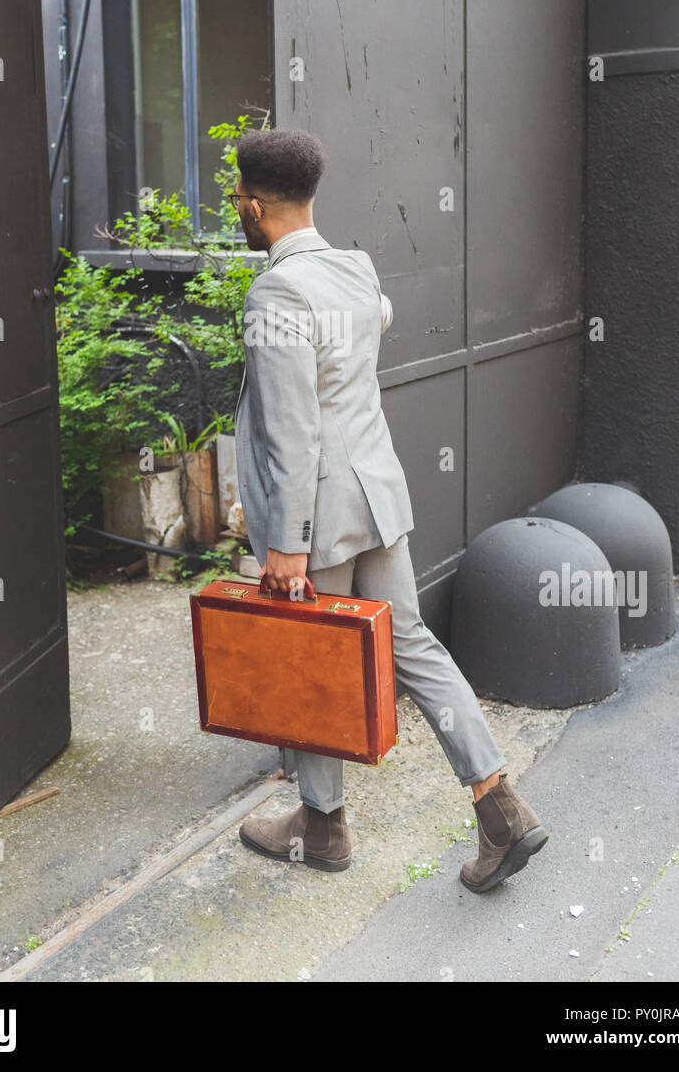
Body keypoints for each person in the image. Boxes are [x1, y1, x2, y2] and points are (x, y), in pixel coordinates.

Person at [230, 128, 548, 891]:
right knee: (413, 647)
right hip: (377, 496)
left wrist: (286, 543)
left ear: (254, 205)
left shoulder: (277, 290)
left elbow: (294, 428)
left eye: (237, 199)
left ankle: (325, 826)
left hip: (318, 517)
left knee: (312, 668)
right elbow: (377, 319)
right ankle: (499, 805)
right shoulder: (355, 268)